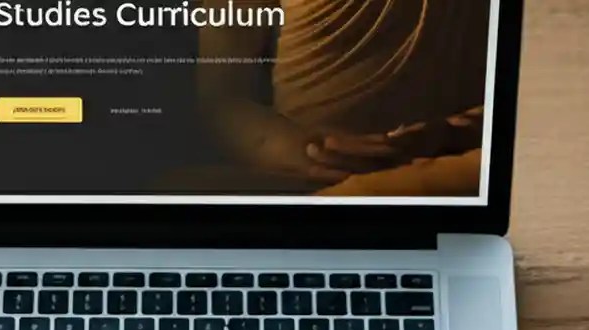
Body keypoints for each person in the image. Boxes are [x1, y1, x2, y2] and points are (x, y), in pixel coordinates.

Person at [197, 0, 491, 195]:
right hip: (311, 177)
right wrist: (274, 142)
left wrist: (454, 131)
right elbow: (221, 98)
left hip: (454, 170)